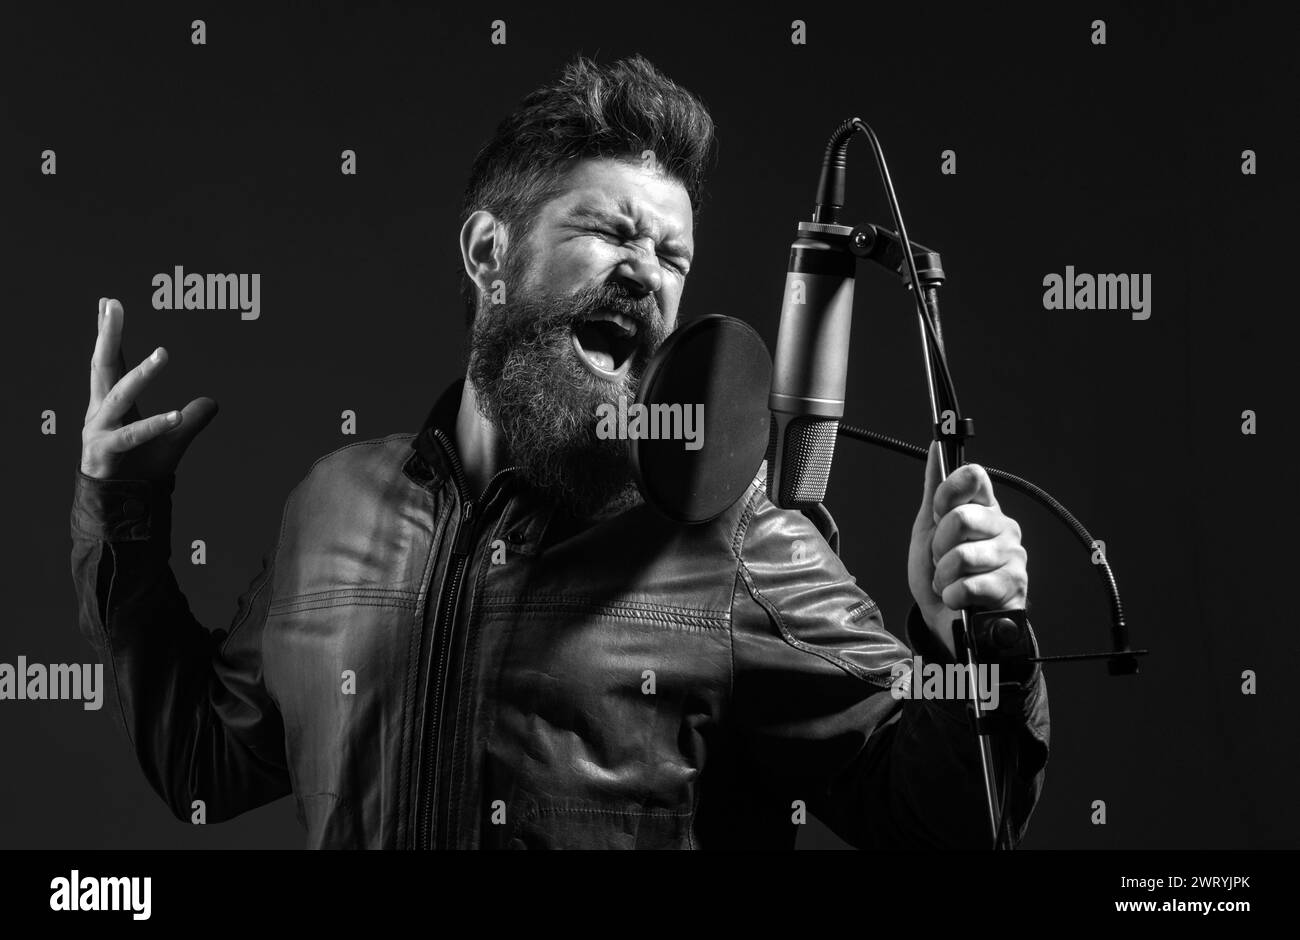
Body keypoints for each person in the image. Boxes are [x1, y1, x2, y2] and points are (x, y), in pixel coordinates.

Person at [71, 54, 1048, 849]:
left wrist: (972, 637)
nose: (646, 275)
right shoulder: (330, 503)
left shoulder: (733, 532)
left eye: (673, 257)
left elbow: (945, 819)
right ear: (489, 255)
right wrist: (122, 514)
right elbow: (206, 760)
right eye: (611, 232)